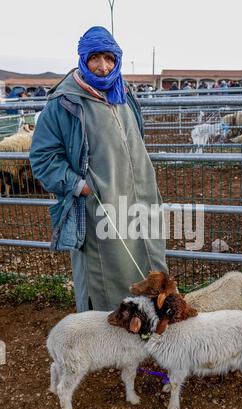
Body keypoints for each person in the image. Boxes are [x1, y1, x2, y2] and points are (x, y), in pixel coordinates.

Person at [29, 26, 167, 312]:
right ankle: (108, 333)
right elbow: (42, 157)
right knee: (108, 270)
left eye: (109, 59)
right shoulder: (65, 102)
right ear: (83, 58)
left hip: (140, 196)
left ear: (117, 60)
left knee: (148, 256)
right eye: (95, 58)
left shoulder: (124, 93)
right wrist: (80, 185)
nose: (103, 67)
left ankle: (147, 320)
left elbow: (136, 140)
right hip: (99, 202)